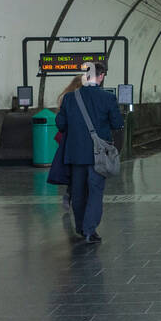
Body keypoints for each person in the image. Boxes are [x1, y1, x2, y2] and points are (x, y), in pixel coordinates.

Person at [55, 64, 124, 243]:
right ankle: (89, 230)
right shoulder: (108, 98)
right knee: (95, 192)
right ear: (101, 76)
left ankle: (80, 227)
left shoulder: (70, 98)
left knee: (78, 193)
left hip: (75, 154)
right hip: (98, 155)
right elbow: (117, 123)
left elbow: (61, 124)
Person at [50, 75, 85, 211]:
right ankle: (75, 196)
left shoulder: (65, 97)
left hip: (68, 141)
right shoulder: (78, 99)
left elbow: (61, 122)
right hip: (78, 140)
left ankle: (69, 194)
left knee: (72, 169)